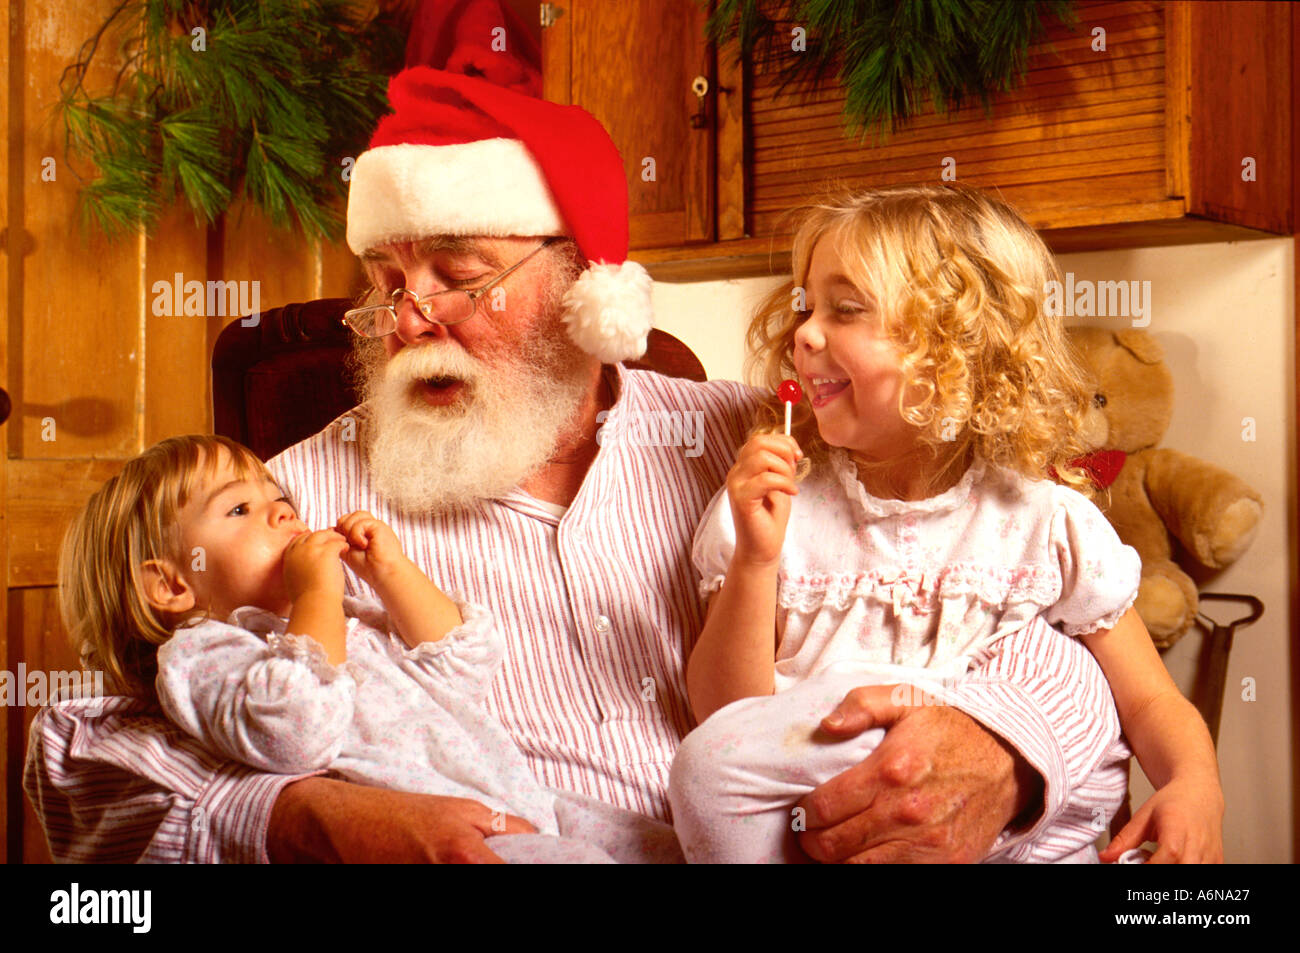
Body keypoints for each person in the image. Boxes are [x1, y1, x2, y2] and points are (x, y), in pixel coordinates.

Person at [26, 68, 1131, 864]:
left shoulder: (764, 437)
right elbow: (85, 787)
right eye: (385, 280)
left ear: (584, 283)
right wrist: (301, 817)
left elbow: (1030, 602)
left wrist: (1005, 746)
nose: (410, 320)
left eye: (460, 273)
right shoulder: (290, 506)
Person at [667, 185, 1224, 864]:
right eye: (806, 305)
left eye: (845, 309)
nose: (805, 333)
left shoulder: (1046, 521)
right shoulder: (776, 512)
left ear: (957, 350)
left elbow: (1149, 702)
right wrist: (754, 562)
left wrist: (1195, 786)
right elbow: (726, 722)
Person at [54, 433, 679, 864]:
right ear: (171, 583)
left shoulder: (347, 618)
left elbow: (461, 663)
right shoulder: (206, 654)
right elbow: (294, 732)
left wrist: (391, 573)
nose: (281, 514)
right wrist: (316, 595)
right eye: (241, 509)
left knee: (672, 848)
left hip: (527, 799)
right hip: (440, 831)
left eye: (281, 500)